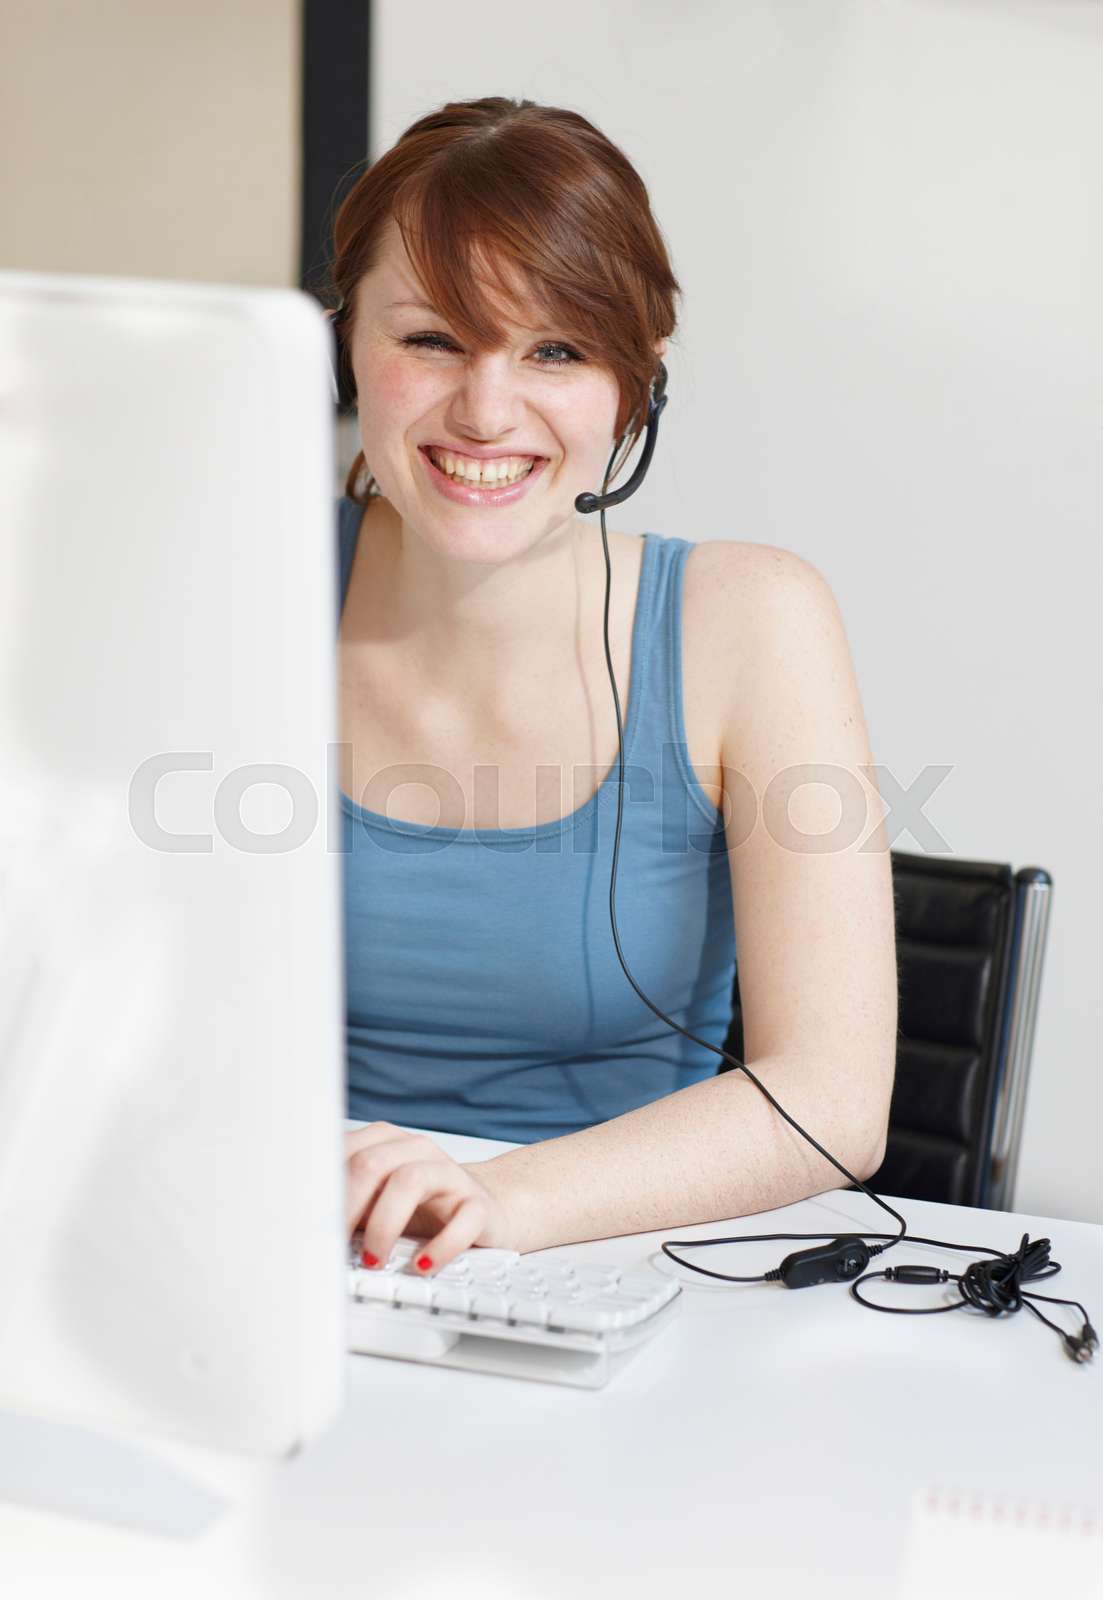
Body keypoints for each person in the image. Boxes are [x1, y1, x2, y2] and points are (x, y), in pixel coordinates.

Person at [327, 97, 898, 1273]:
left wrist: (494, 1198)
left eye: (556, 351)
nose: (487, 410)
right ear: (348, 344)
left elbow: (831, 1105)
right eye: (431, 338)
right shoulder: (224, 584)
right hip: (271, 1251)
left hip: (597, 1260)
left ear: (637, 386)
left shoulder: (749, 618)